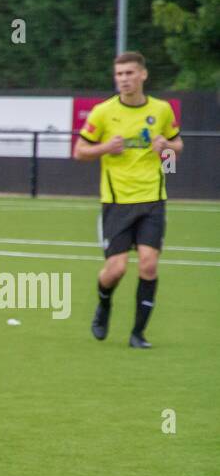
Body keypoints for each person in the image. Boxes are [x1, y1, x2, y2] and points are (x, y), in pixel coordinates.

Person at [74, 51, 182, 349]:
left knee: (148, 265)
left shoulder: (161, 110)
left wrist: (166, 148)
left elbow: (175, 149)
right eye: (119, 74)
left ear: (143, 75)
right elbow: (80, 151)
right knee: (116, 270)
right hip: (116, 202)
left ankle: (138, 334)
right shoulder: (102, 112)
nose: (124, 80)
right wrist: (106, 147)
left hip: (152, 201)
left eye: (129, 73)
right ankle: (104, 304)